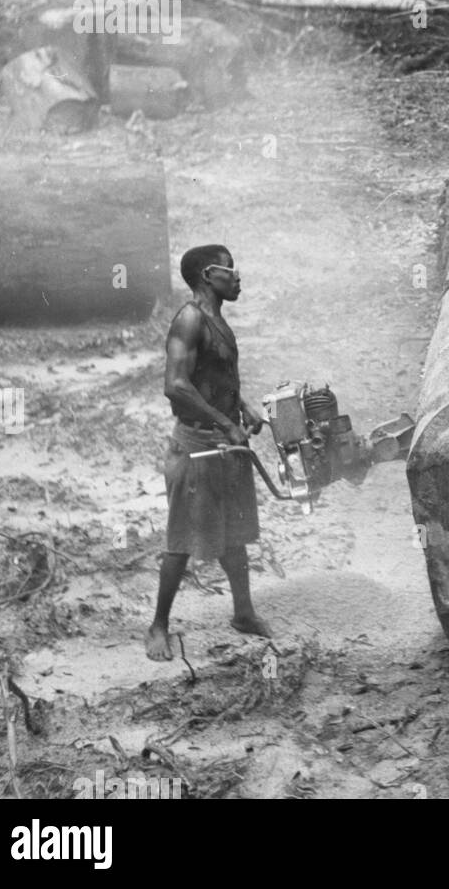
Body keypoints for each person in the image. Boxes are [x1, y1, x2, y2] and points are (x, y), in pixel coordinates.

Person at [145, 245, 272, 660]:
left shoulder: (218, 321)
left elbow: (215, 377)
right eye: (229, 271)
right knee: (181, 539)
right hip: (197, 445)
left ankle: (243, 613)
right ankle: (158, 626)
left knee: (234, 532)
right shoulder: (189, 319)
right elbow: (176, 385)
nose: (237, 278)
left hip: (224, 443)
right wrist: (224, 421)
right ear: (206, 275)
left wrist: (244, 406)